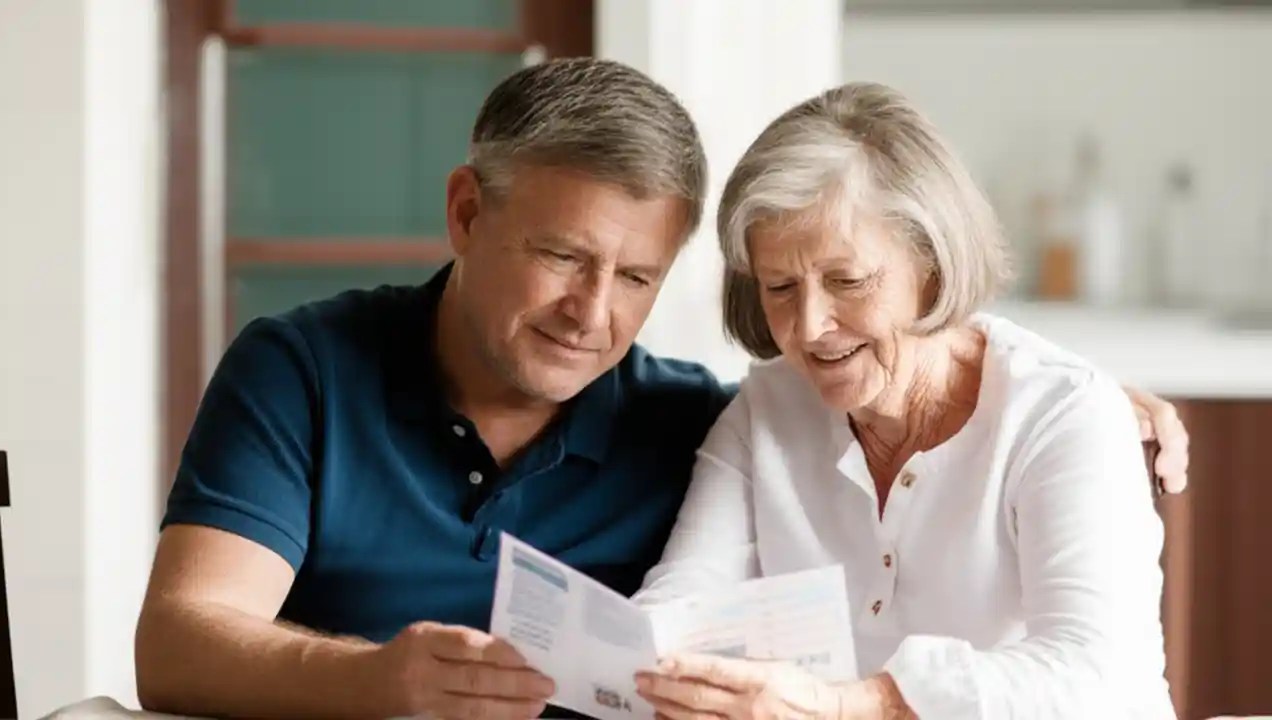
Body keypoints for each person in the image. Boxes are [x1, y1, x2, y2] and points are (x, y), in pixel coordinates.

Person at [135, 59, 1188, 720]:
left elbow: (1097, 675)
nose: (589, 313)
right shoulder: (303, 369)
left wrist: (1087, 406)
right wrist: (380, 685)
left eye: (636, 277)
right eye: (559, 256)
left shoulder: (689, 412)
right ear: (465, 215)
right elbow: (179, 646)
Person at [632, 82, 1177, 719]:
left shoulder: (1062, 414)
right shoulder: (767, 408)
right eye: (780, 287)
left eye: (847, 281)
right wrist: (620, 666)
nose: (808, 327)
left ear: (931, 263)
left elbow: (1094, 676)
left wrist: (849, 707)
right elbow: (681, 605)